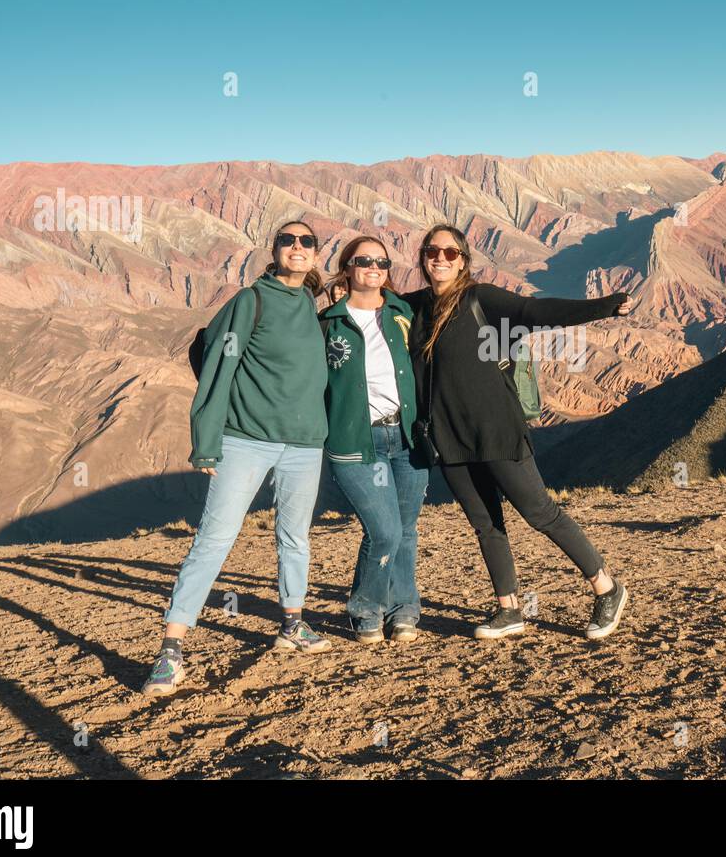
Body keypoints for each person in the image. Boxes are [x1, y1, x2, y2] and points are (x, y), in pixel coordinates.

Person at [403, 223, 633, 640]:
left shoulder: (480, 300)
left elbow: (535, 312)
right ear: (422, 257)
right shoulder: (413, 308)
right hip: (448, 438)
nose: (439, 258)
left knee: (539, 513)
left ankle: (607, 587)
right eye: (432, 251)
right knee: (485, 524)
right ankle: (508, 610)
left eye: (450, 253)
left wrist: (602, 306)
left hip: (497, 431)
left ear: (463, 262)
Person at [142, 220, 331, 697]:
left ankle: (293, 622)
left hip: (305, 444)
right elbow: (219, 367)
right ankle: (170, 650)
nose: (297, 247)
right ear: (273, 250)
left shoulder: (311, 305)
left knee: (295, 538)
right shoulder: (251, 301)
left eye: (306, 241)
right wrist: (206, 437)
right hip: (246, 440)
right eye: (287, 240)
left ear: (315, 253)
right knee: (215, 538)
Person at [320, 235, 429, 644]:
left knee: (407, 528)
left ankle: (403, 610)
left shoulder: (403, 313)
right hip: (355, 440)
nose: (373, 267)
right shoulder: (329, 323)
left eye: (382, 262)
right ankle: (365, 608)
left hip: (406, 436)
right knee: (384, 531)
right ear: (346, 267)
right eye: (363, 260)